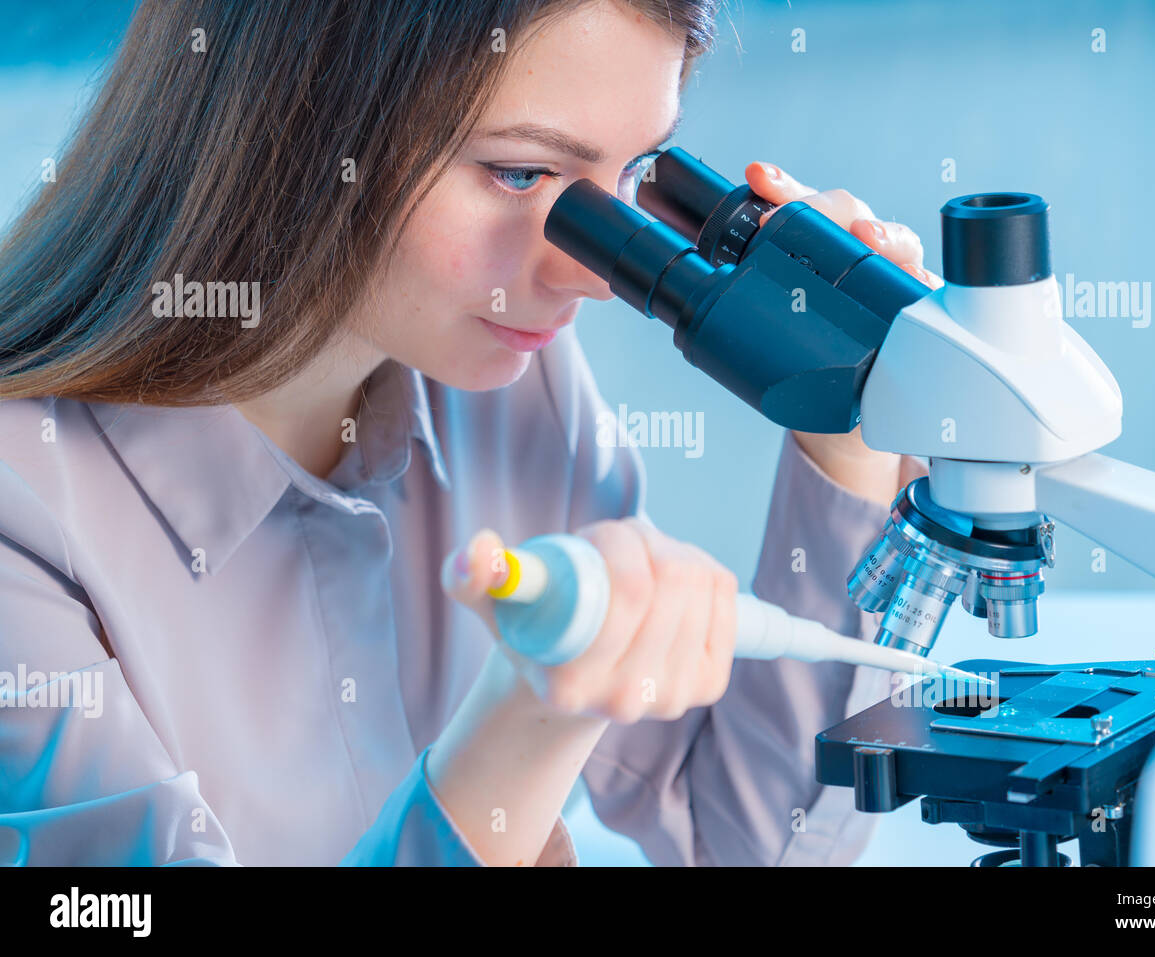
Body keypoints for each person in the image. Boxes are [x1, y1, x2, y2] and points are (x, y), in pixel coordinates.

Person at [0, 0, 936, 866]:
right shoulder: (23, 513)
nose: (595, 276)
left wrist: (844, 438)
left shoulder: (512, 390)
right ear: (297, 122)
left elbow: (743, 837)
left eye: (631, 177)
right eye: (521, 172)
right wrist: (522, 735)